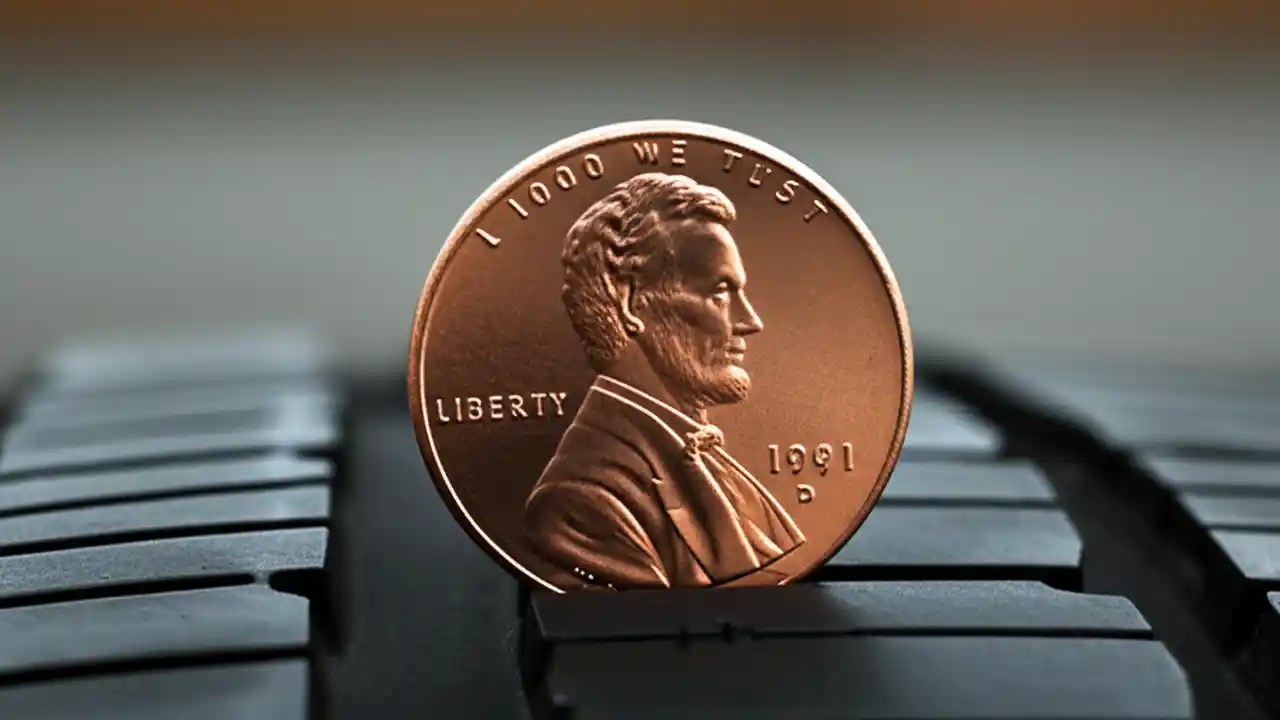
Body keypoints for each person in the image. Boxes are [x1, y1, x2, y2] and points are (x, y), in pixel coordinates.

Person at [524, 172, 805, 589]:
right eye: (721, 293)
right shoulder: (580, 502)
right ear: (631, 299)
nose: (750, 322)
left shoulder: (694, 453)